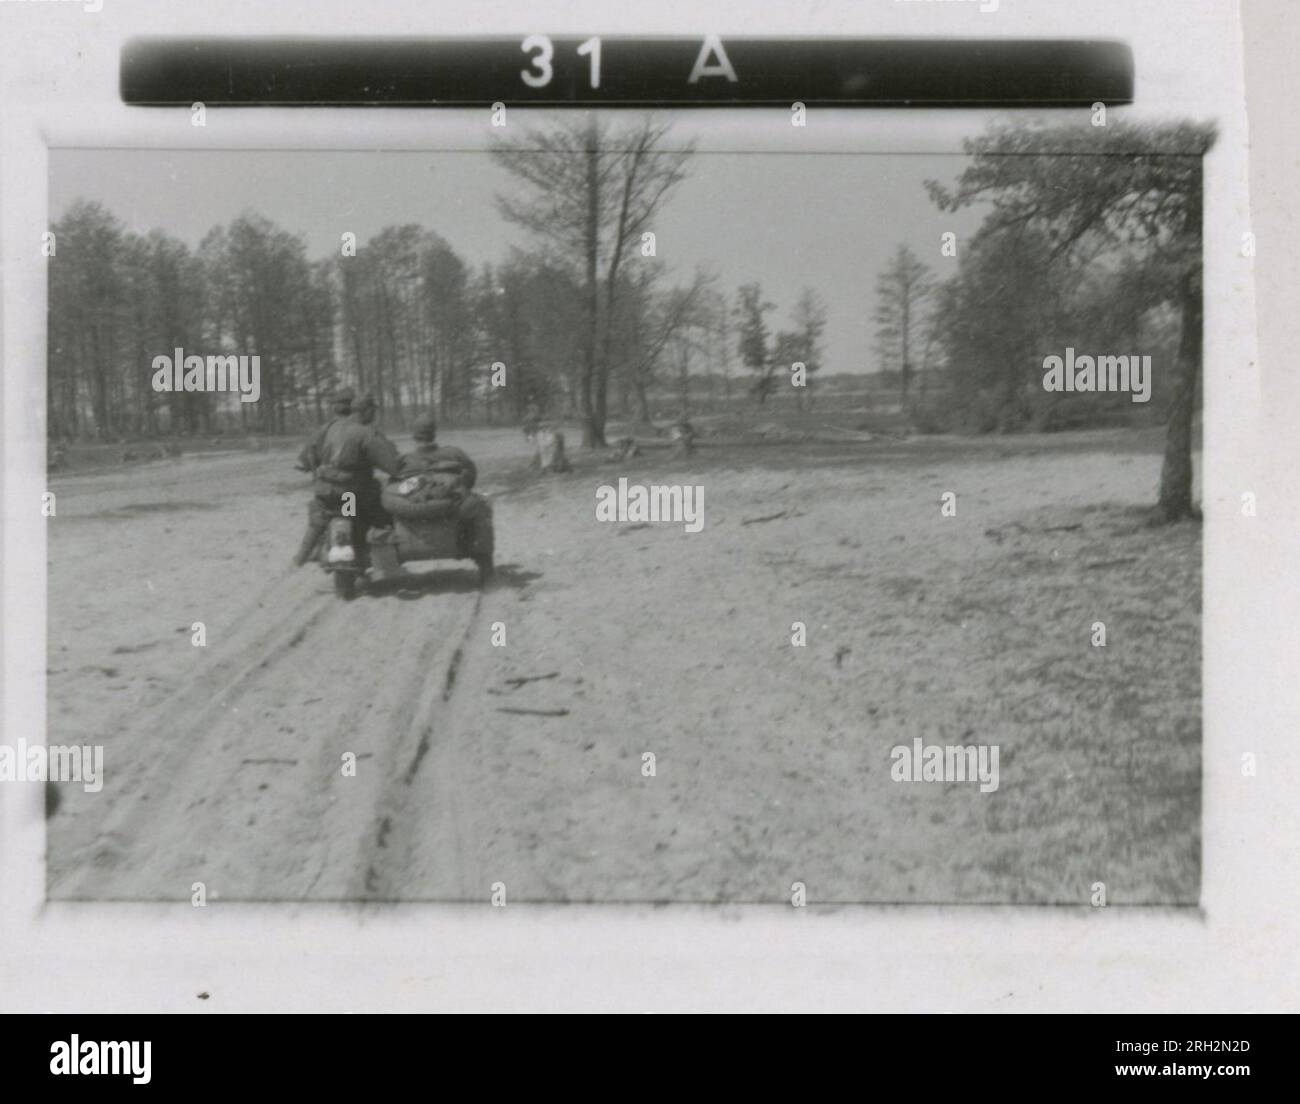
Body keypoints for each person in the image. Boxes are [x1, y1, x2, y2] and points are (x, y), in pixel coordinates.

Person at [294, 392, 401, 570]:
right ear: (365, 411)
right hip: (348, 494)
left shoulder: (328, 428)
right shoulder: (366, 432)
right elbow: (390, 465)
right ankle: (370, 554)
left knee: (321, 518)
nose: (374, 415)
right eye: (372, 411)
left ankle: (310, 553)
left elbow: (305, 457)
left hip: (324, 493)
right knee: (379, 513)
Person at [394, 413, 493, 581]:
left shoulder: (404, 460)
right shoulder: (454, 453)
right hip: (452, 509)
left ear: (414, 436)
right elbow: (470, 475)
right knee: (481, 507)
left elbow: (394, 485)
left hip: (412, 516)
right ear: (434, 433)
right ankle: (484, 562)